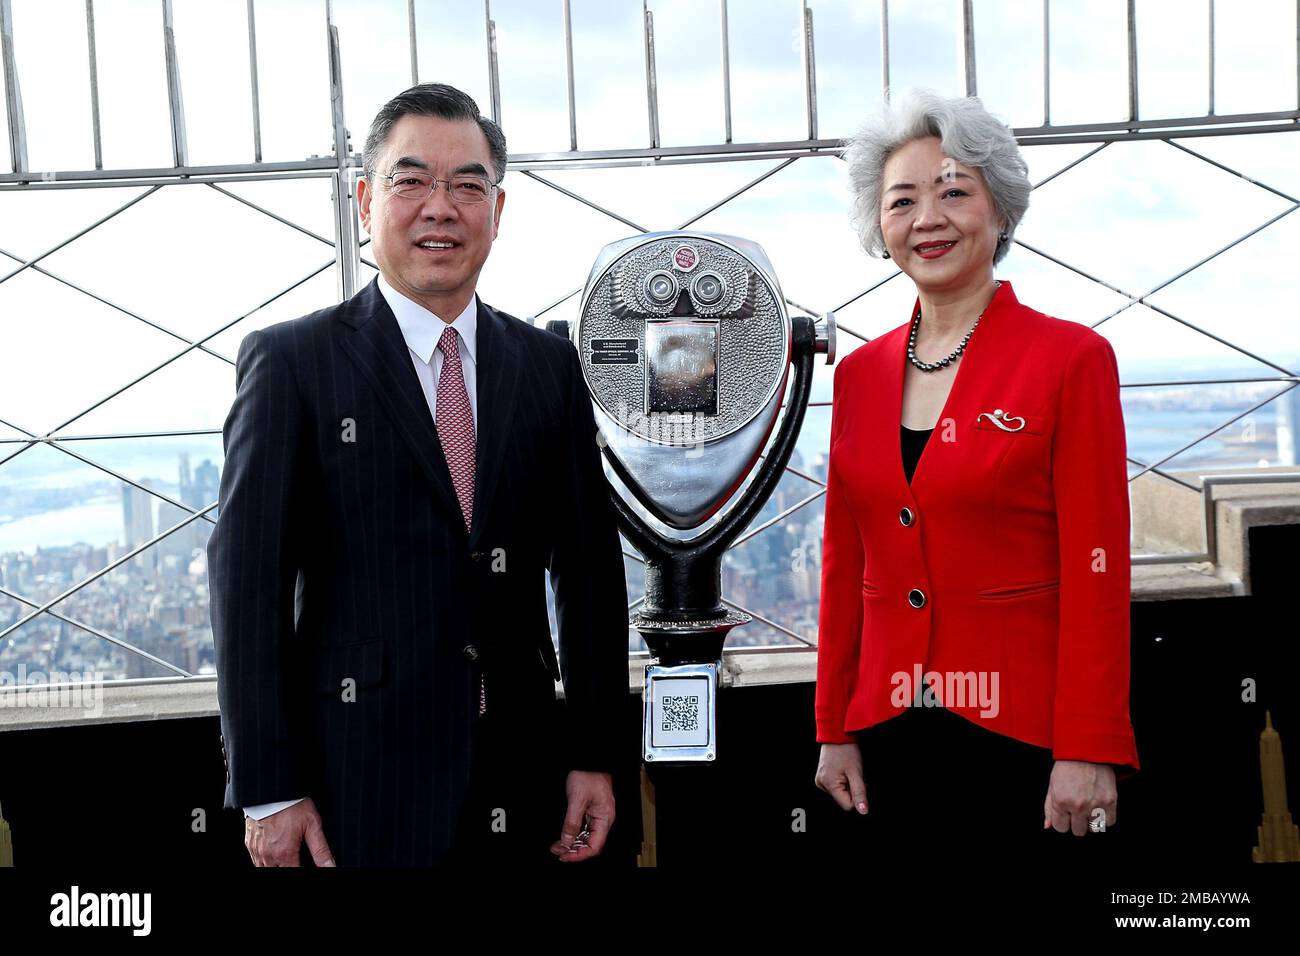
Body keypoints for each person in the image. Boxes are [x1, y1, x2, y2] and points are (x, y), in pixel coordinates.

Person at [208, 83, 630, 867]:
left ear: (497, 213)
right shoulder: (293, 363)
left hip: (524, 779)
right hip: (350, 788)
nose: (441, 206)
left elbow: (589, 573)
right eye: (412, 181)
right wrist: (269, 788)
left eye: (468, 184)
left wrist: (595, 751)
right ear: (368, 201)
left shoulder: (547, 367)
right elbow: (247, 580)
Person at [813, 89, 1139, 860]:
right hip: (886, 735)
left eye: (954, 191)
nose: (928, 218)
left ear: (1001, 211)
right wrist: (834, 727)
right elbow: (843, 563)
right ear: (880, 225)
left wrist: (1086, 746)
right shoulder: (859, 374)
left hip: (1029, 741)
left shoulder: (1070, 360)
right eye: (903, 200)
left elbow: (1098, 568)